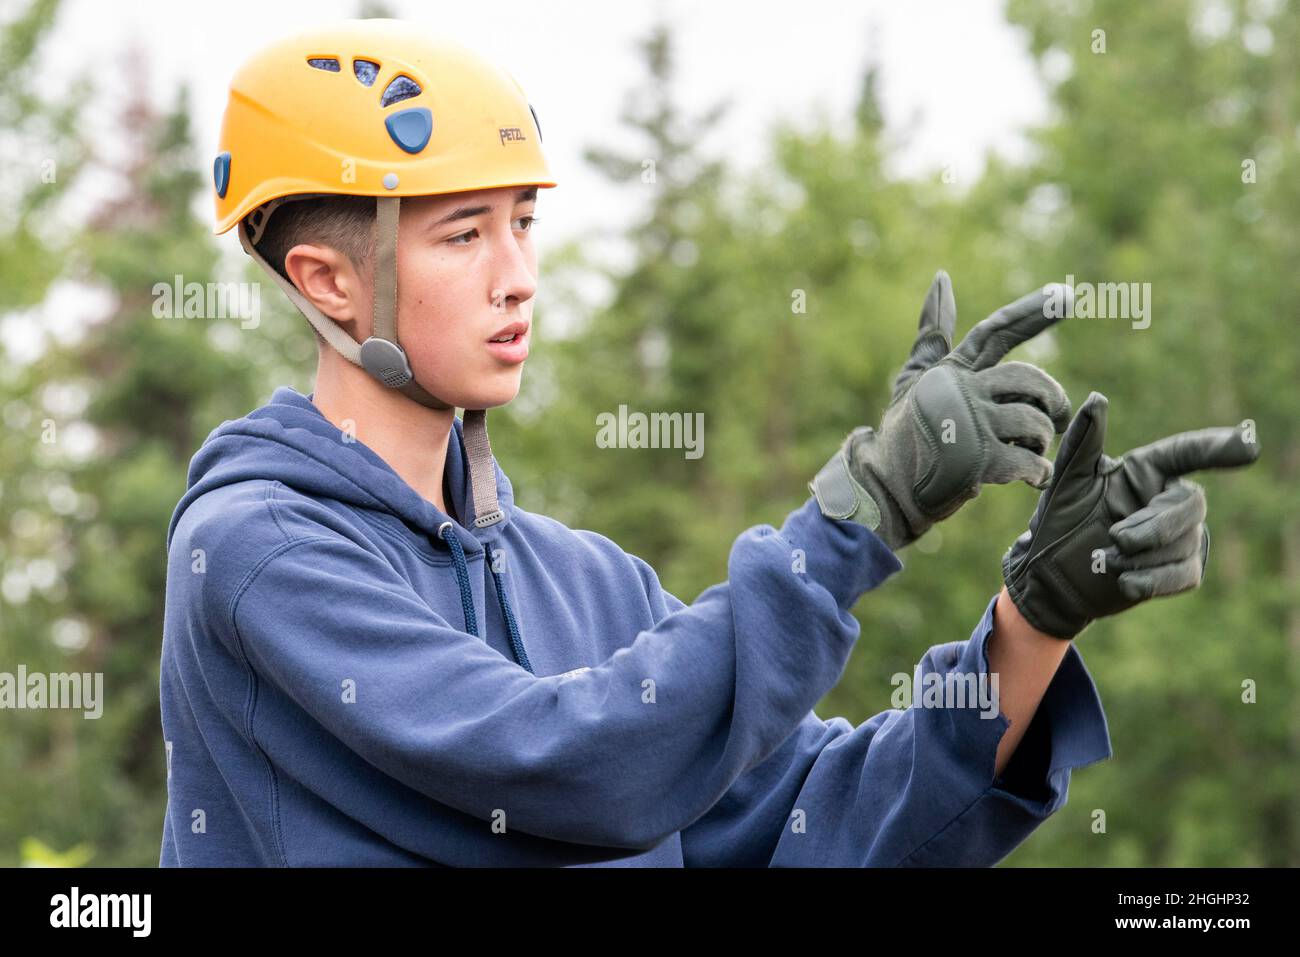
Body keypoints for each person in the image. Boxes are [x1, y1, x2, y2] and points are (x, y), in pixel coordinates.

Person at [158, 19, 1259, 866]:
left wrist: (1031, 624)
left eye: (524, 222)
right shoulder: (259, 557)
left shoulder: (584, 585)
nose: (518, 274)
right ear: (329, 282)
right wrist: (859, 511)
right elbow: (570, 766)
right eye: (463, 232)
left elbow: (812, 825)